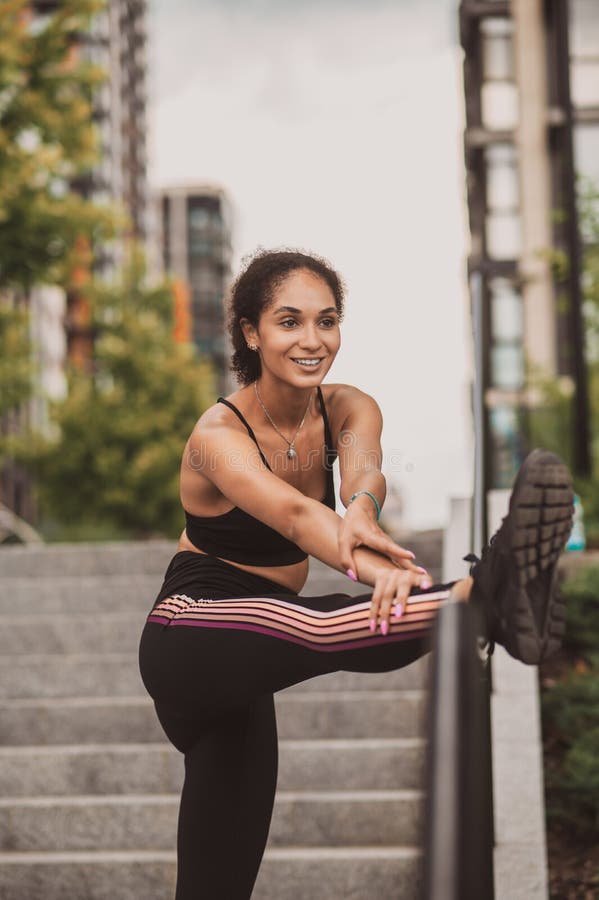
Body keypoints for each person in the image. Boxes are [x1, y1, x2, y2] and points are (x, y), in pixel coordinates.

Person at [138, 248, 574, 900]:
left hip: (250, 665)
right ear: (251, 332)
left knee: (215, 886)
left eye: (327, 320)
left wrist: (364, 513)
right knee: (322, 626)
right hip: (193, 629)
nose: (312, 340)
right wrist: (381, 571)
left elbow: (362, 472)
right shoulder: (217, 436)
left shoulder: (347, 406)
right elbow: (295, 517)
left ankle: (479, 595)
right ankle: (482, 593)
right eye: (289, 321)